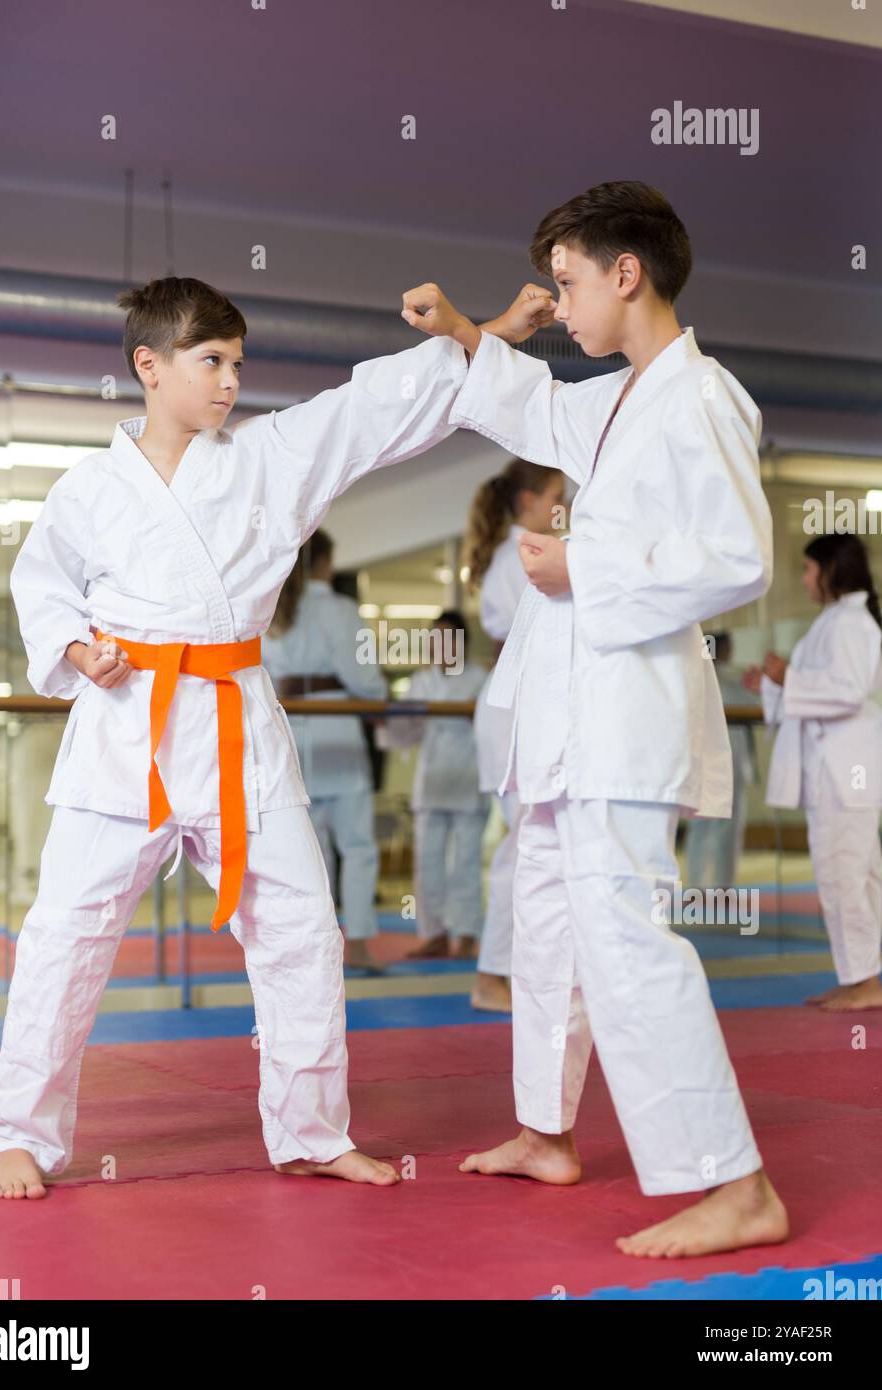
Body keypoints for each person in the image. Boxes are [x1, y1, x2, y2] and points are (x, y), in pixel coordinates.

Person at [0, 274, 473, 1199]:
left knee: (301, 932)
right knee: (65, 935)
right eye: (210, 361)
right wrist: (75, 649)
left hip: (239, 726)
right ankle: (22, 1136)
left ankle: (312, 1130)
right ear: (149, 365)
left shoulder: (264, 461)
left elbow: (363, 412)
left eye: (238, 365)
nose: (229, 383)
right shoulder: (88, 490)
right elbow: (38, 585)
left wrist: (473, 339)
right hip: (127, 730)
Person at [400, 180, 789, 1258]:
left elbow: (737, 558)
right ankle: (544, 1127)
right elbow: (530, 405)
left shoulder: (697, 396)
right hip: (574, 720)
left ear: (627, 273)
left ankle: (733, 1180)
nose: (560, 306)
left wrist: (585, 564)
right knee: (549, 921)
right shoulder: (618, 397)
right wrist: (475, 333)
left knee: (623, 936)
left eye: (569, 284)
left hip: (629, 719)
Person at [744, 533, 882, 1011]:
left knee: (844, 875)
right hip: (840, 771)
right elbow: (824, 690)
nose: (803, 580)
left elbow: (847, 691)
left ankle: (863, 980)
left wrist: (788, 679)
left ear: (832, 571)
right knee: (855, 875)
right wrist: (773, 684)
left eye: (808, 570)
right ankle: (862, 976)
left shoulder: (852, 624)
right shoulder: (835, 621)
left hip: (846, 773)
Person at [261, 528, 387, 973]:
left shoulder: (272, 607)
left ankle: (314, 944)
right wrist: (379, 701)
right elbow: (365, 677)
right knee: (356, 844)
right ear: (325, 562)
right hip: (338, 724)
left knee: (304, 848)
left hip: (290, 727)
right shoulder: (339, 609)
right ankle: (359, 944)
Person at [464, 460, 565, 1011]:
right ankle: (493, 975)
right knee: (524, 843)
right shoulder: (520, 555)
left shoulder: (527, 552)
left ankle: (524, 971)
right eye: (556, 494)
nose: (562, 504)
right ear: (528, 500)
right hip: (516, 712)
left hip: (525, 706)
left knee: (538, 843)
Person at [375, 611, 490, 960]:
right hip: (432, 779)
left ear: (462, 643)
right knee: (427, 863)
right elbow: (405, 732)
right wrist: (386, 719)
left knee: (466, 863)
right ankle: (434, 933)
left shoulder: (481, 679)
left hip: (469, 777)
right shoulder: (421, 682)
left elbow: (494, 729)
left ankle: (468, 934)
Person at [685, 631, 758, 890]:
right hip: (729, 765)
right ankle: (722, 886)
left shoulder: (694, 678)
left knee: (701, 826)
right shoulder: (731, 680)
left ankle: (697, 885)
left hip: (704, 763)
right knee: (726, 828)